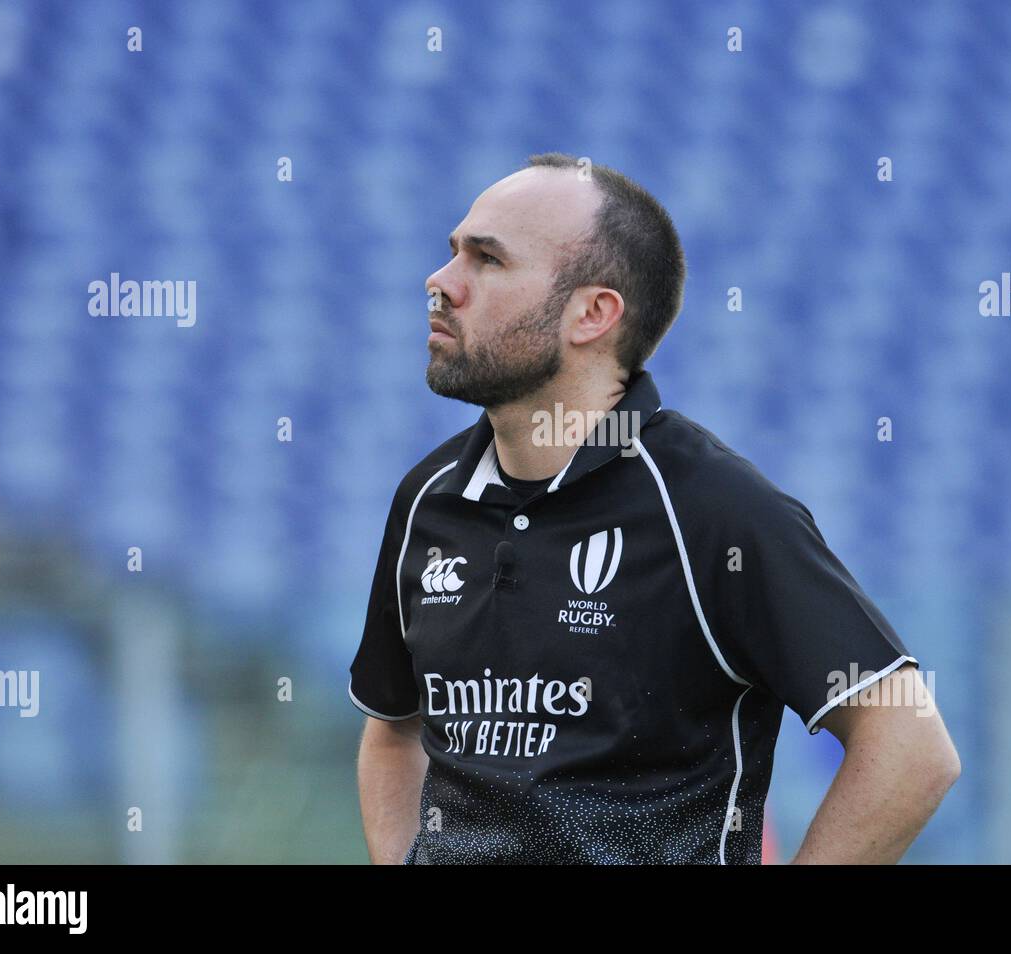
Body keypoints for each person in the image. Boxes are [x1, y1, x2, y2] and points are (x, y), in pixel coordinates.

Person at [350, 152, 960, 864]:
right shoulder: (428, 498)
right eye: (452, 252)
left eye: (486, 260)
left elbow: (911, 747)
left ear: (592, 314)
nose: (440, 282)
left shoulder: (713, 510)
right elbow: (392, 731)